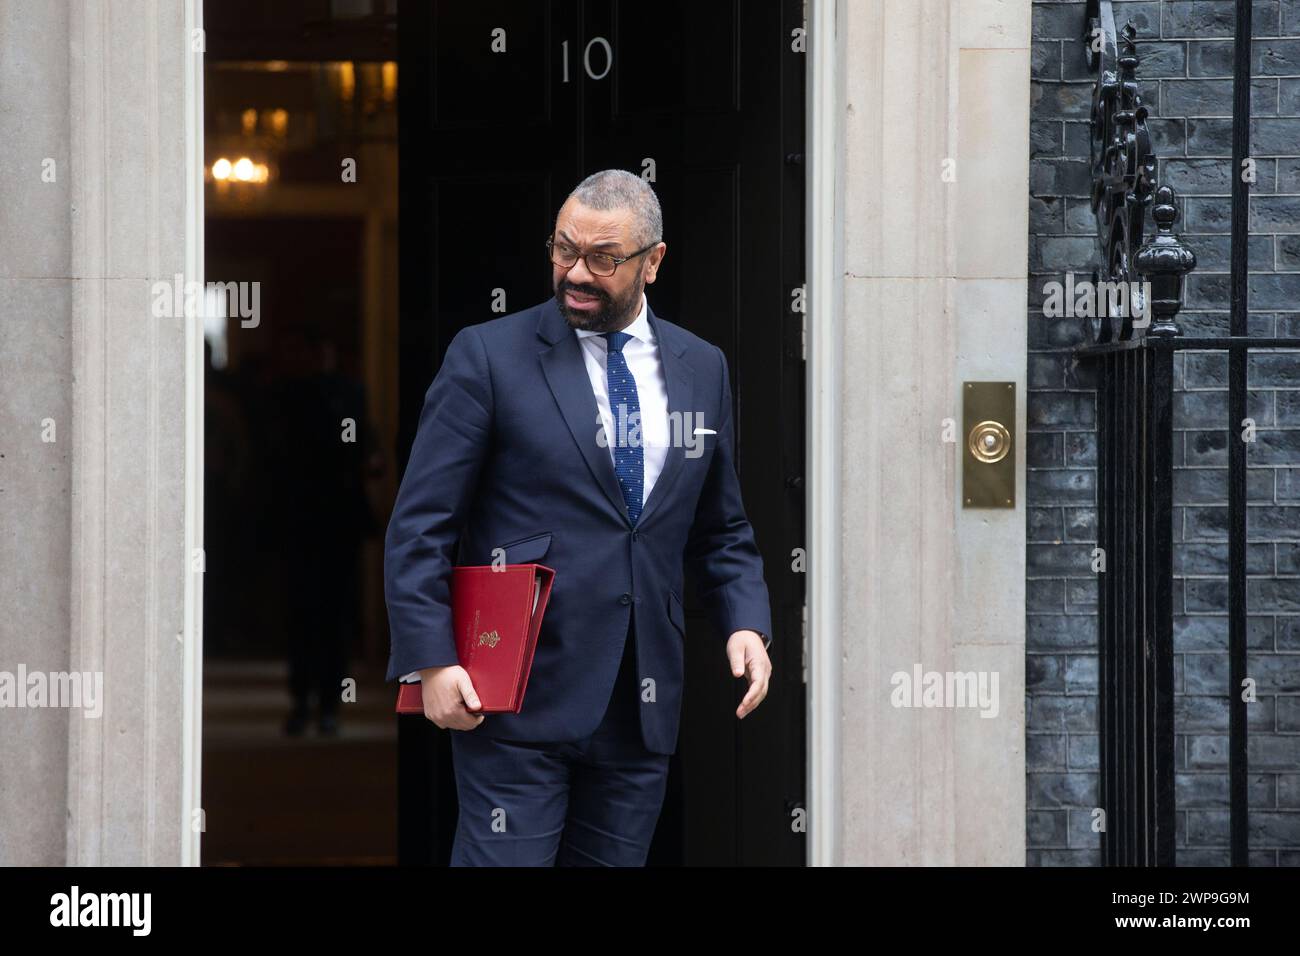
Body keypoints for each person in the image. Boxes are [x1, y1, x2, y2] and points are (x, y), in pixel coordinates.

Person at [384, 169, 773, 866]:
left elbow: (720, 526)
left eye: (603, 258)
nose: (576, 273)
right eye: (565, 250)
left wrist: (745, 621)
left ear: (653, 262)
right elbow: (421, 525)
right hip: (514, 696)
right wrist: (432, 660)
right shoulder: (488, 356)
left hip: (641, 706)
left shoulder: (702, 367)